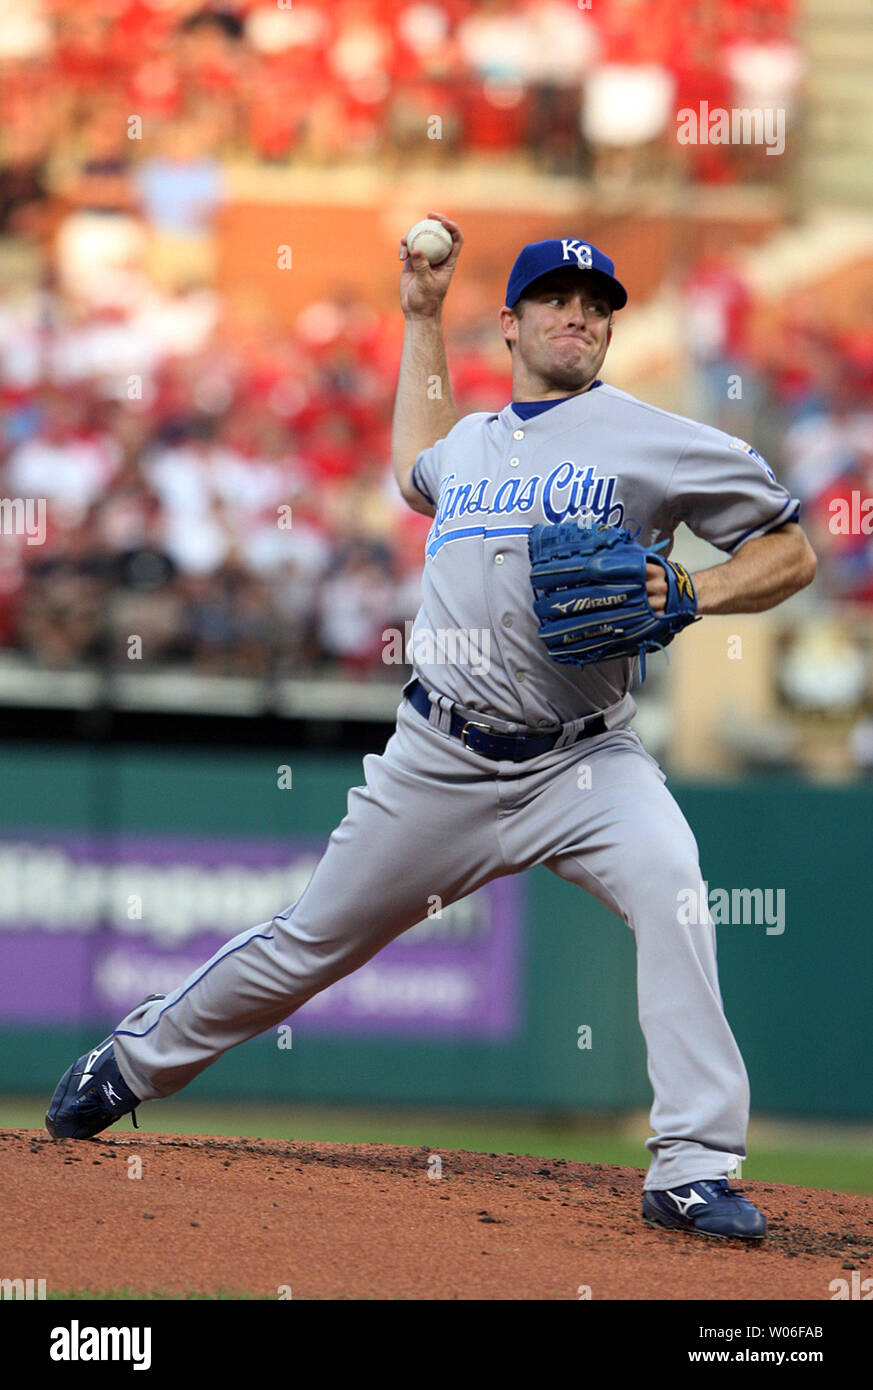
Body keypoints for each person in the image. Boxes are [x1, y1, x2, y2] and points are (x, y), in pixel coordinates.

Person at [46, 215, 817, 1241]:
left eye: (597, 306)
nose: (578, 315)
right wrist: (420, 316)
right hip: (439, 762)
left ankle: (691, 1166)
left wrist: (694, 588)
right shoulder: (469, 447)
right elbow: (414, 458)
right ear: (513, 321)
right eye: (556, 299)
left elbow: (793, 549)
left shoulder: (656, 438)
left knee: (675, 890)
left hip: (586, 760)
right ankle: (132, 1063)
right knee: (305, 943)